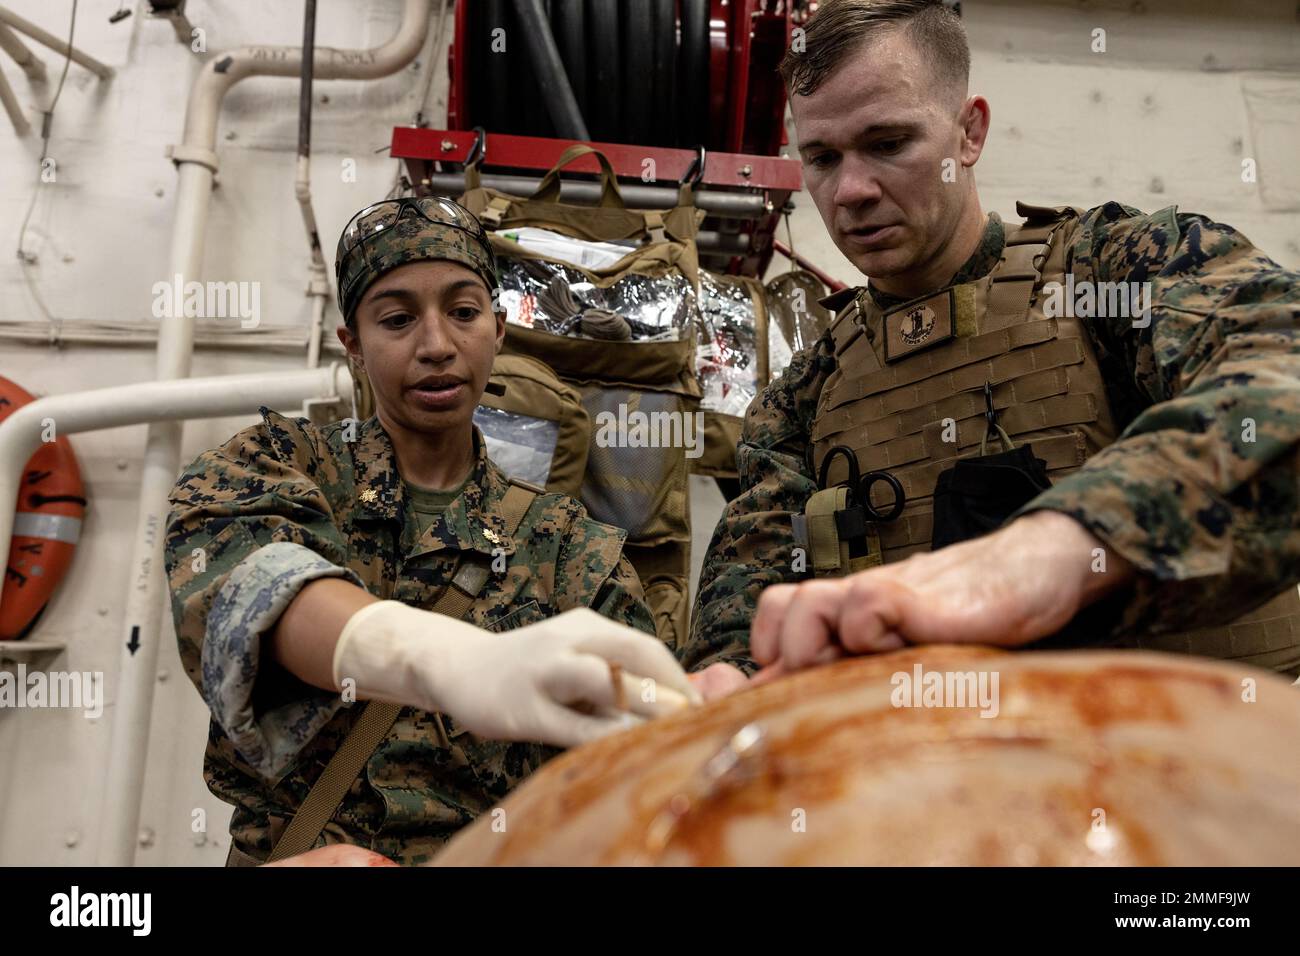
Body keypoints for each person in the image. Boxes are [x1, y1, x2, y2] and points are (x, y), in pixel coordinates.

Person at [686, 0, 1300, 686]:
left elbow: (1279, 376)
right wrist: (729, 678)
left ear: (969, 133)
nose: (851, 191)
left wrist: (1058, 549)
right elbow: (744, 607)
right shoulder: (804, 394)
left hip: (1186, 763)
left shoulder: (1117, 270)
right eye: (823, 158)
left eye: (888, 144)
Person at [164, 196, 697, 866]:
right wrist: (450, 661)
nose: (438, 345)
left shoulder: (571, 550)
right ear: (352, 345)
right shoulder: (274, 467)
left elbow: (632, 778)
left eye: (465, 312)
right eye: (397, 319)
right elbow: (251, 581)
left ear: (498, 331)